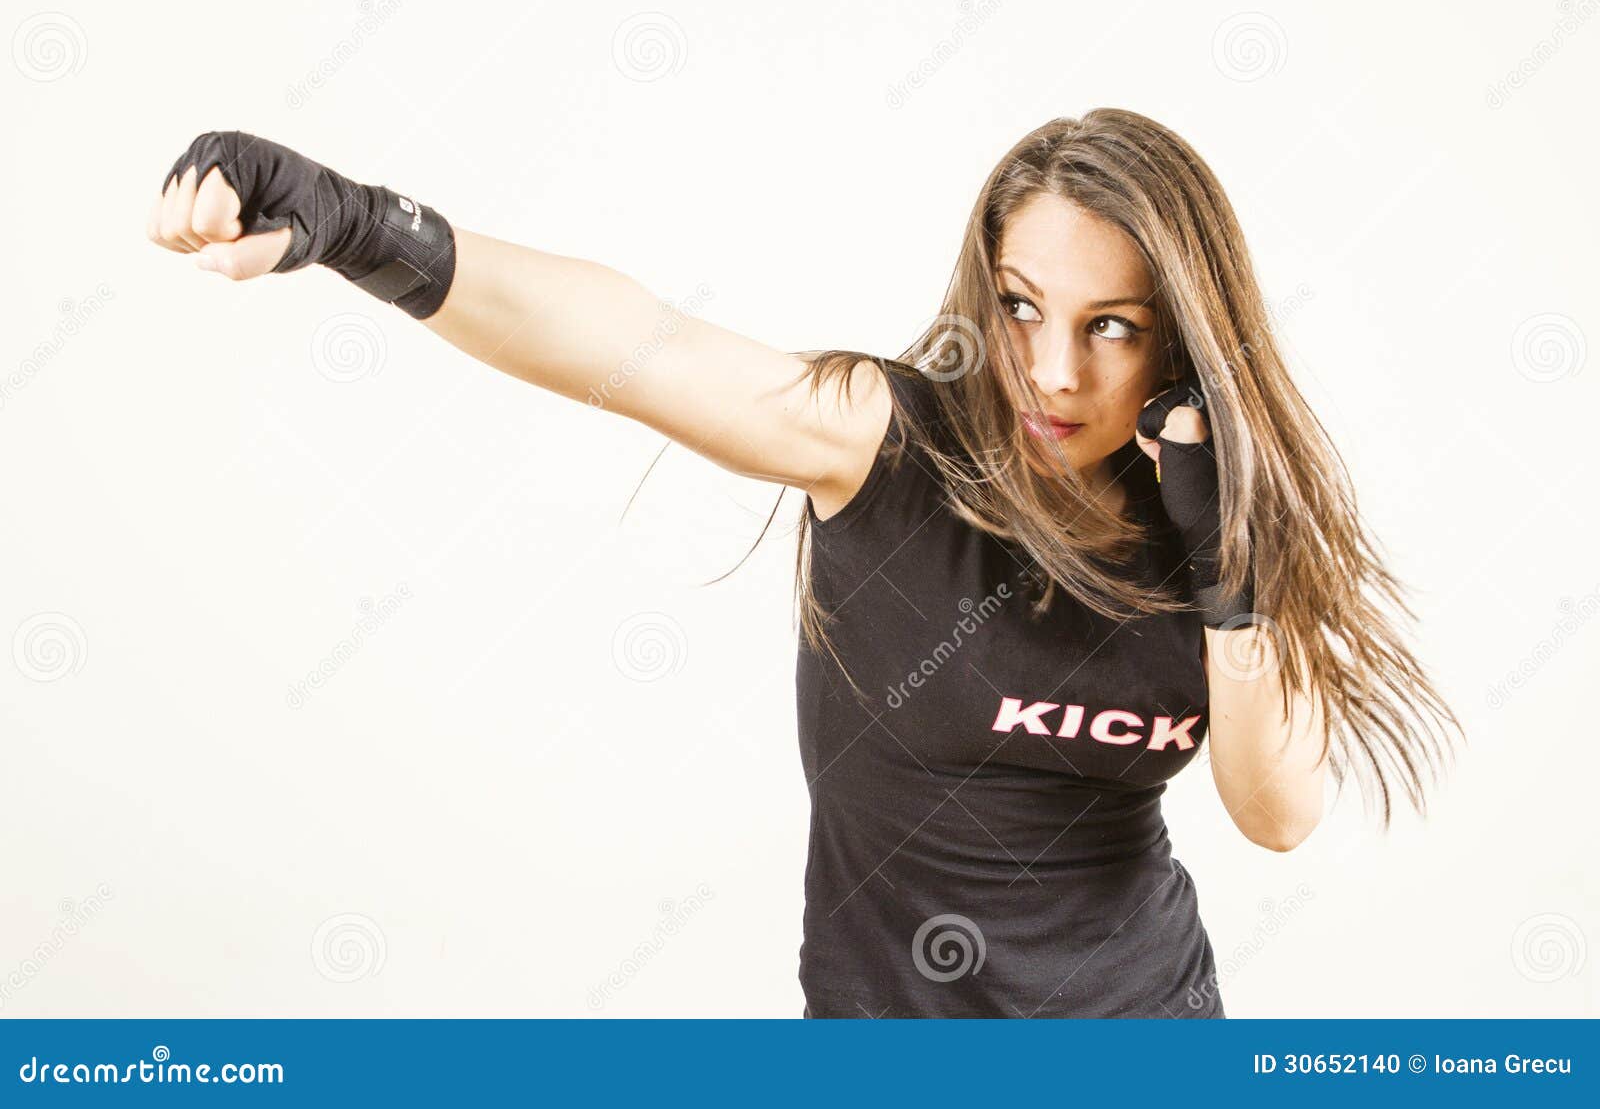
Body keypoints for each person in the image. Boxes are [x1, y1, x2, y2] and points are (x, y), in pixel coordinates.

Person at [146, 111, 1462, 1018]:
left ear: (1179, 332)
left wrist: (1228, 562)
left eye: (1110, 328)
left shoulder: (1210, 507)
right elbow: (641, 344)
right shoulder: (885, 442)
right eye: (1020, 308)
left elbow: (1277, 808)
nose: (1054, 373)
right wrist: (367, 224)